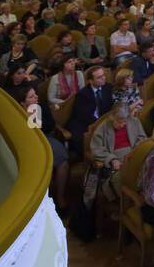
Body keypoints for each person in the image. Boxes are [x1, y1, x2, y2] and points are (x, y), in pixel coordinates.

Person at [11, 84, 69, 212]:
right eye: (31, 96)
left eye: (35, 94)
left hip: (45, 138)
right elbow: (24, 134)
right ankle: (44, 204)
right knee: (41, 166)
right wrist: (29, 116)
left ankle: (60, 197)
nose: (36, 97)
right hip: (26, 143)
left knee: (63, 161)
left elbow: (50, 125)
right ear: (22, 102)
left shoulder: (41, 106)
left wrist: (37, 116)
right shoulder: (17, 113)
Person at [90, 103, 148, 201]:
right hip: (116, 160)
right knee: (120, 179)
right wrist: (112, 159)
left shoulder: (134, 121)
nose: (122, 125)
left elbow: (142, 138)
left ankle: (143, 201)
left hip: (133, 156)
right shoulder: (103, 127)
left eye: (124, 122)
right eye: (118, 122)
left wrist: (135, 153)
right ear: (112, 117)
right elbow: (96, 148)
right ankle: (124, 205)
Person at [65, 65, 114, 154]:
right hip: (83, 122)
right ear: (91, 81)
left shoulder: (108, 88)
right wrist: (96, 123)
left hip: (101, 119)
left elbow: (110, 106)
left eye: (103, 75)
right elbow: (81, 115)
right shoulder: (83, 94)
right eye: (99, 77)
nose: (103, 78)